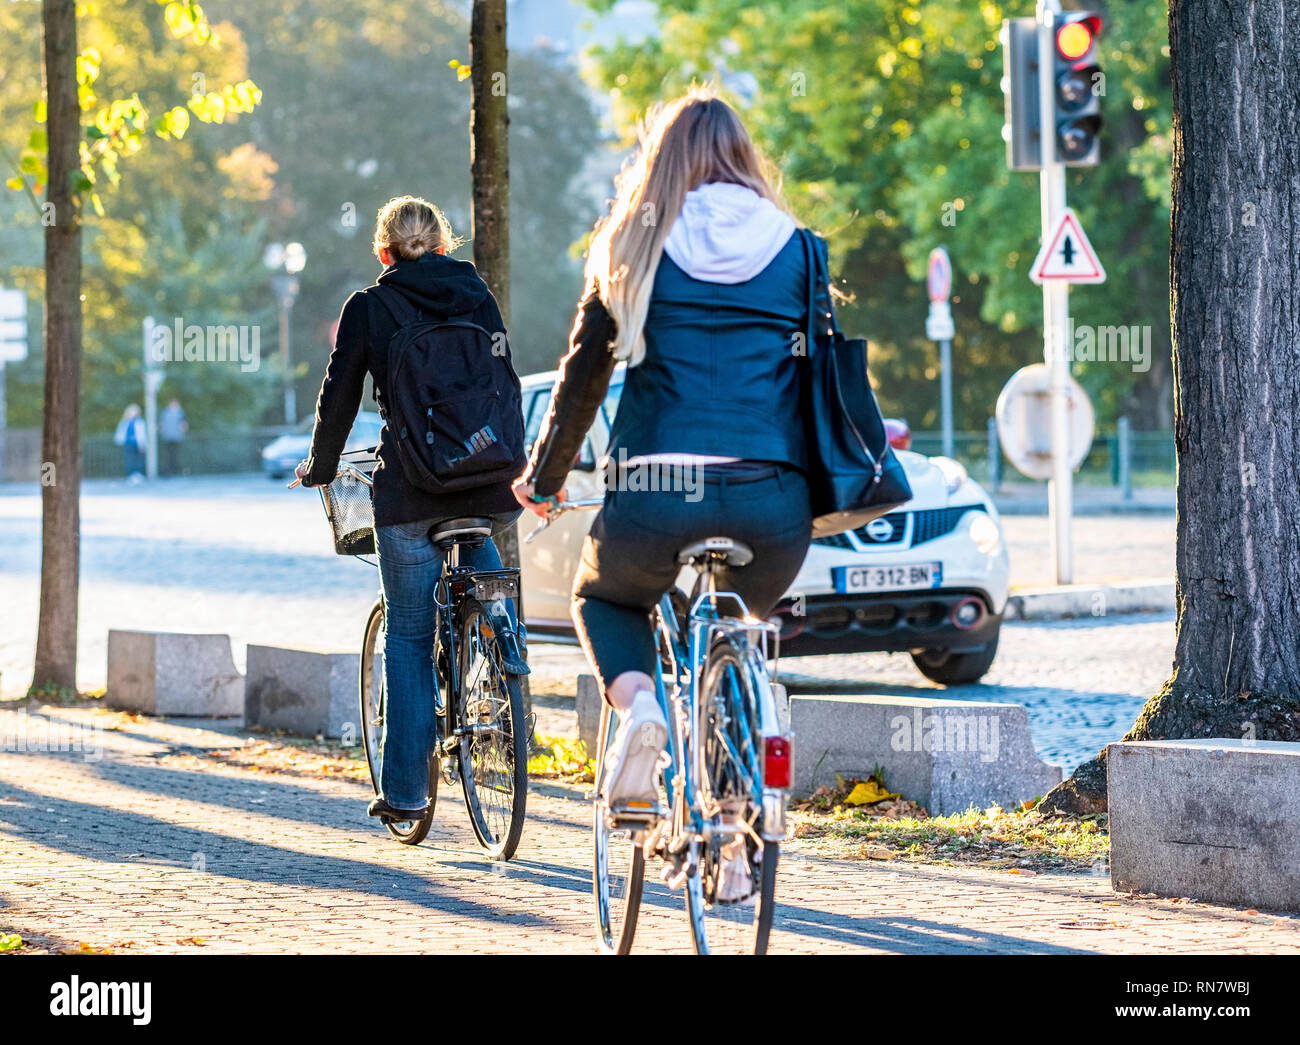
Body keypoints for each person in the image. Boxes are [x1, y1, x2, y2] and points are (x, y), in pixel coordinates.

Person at [513, 87, 816, 899]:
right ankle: (742, 840)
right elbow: (817, 378)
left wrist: (543, 481)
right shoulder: (799, 249)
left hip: (656, 491)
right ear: (746, 156)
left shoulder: (632, 244)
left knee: (606, 601)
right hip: (772, 499)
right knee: (739, 629)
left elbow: (582, 379)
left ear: (663, 158)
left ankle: (641, 707)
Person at [296, 195, 526, 823]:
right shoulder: (476, 295)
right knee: (486, 577)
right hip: (486, 484)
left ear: (383, 251)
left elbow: (339, 395)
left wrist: (320, 465)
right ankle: (507, 655)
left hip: (411, 493)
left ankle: (403, 793)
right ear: (444, 246)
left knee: (408, 633)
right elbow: (504, 384)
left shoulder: (370, 307)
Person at [113, 404, 147, 483]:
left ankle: (138, 475)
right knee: (130, 459)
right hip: (128, 443)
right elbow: (120, 433)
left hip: (137, 444)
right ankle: (130, 475)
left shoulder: (140, 422)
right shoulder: (125, 422)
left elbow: (142, 434)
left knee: (139, 460)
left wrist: (143, 444)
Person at [159, 399, 188, 476]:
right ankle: (170, 471)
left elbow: (184, 424)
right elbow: (162, 424)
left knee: (176, 455)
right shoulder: (166, 412)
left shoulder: (180, 412)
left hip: (176, 437)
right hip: (168, 437)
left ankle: (176, 471)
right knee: (168, 455)